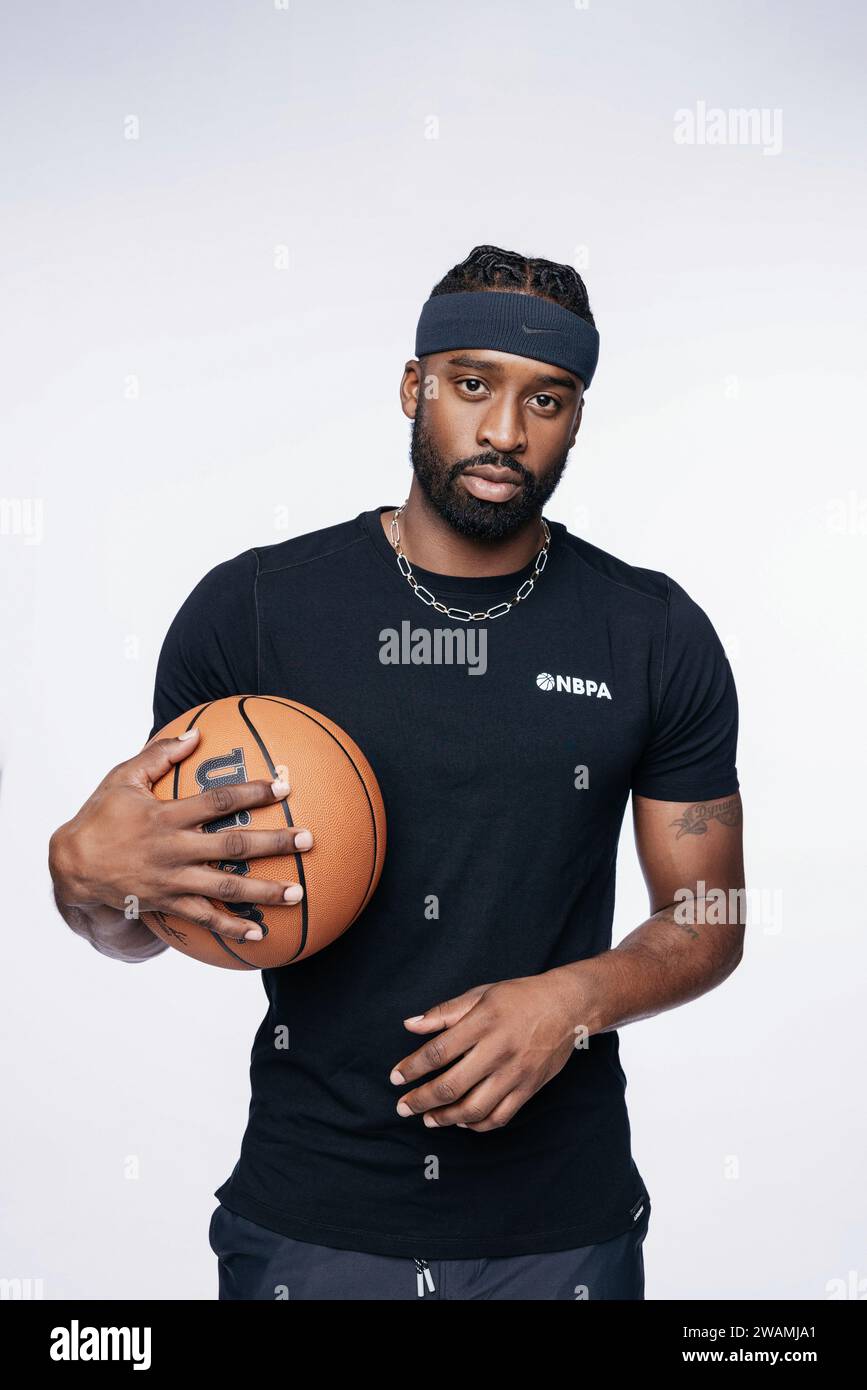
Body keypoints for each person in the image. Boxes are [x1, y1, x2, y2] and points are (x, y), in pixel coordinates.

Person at [48, 244, 745, 1301]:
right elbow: (151, 921)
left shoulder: (650, 633)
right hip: (311, 1224)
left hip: (562, 1229)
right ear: (413, 386)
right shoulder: (254, 614)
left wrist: (572, 999)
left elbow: (710, 911)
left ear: (578, 416)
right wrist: (88, 881)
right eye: (472, 385)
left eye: (546, 399)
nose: (506, 431)